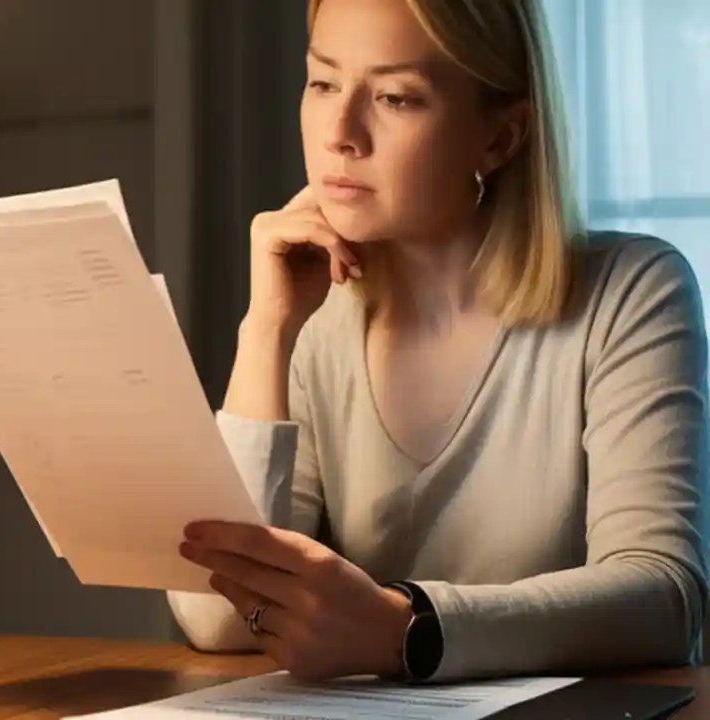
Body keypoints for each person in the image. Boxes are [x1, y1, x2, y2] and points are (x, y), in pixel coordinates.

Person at [170, 0, 708, 683]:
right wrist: (266, 329)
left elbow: (665, 600)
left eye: (395, 97)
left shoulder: (631, 289)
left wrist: (406, 629)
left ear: (501, 137)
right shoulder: (317, 319)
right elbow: (217, 620)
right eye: (323, 82)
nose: (340, 133)